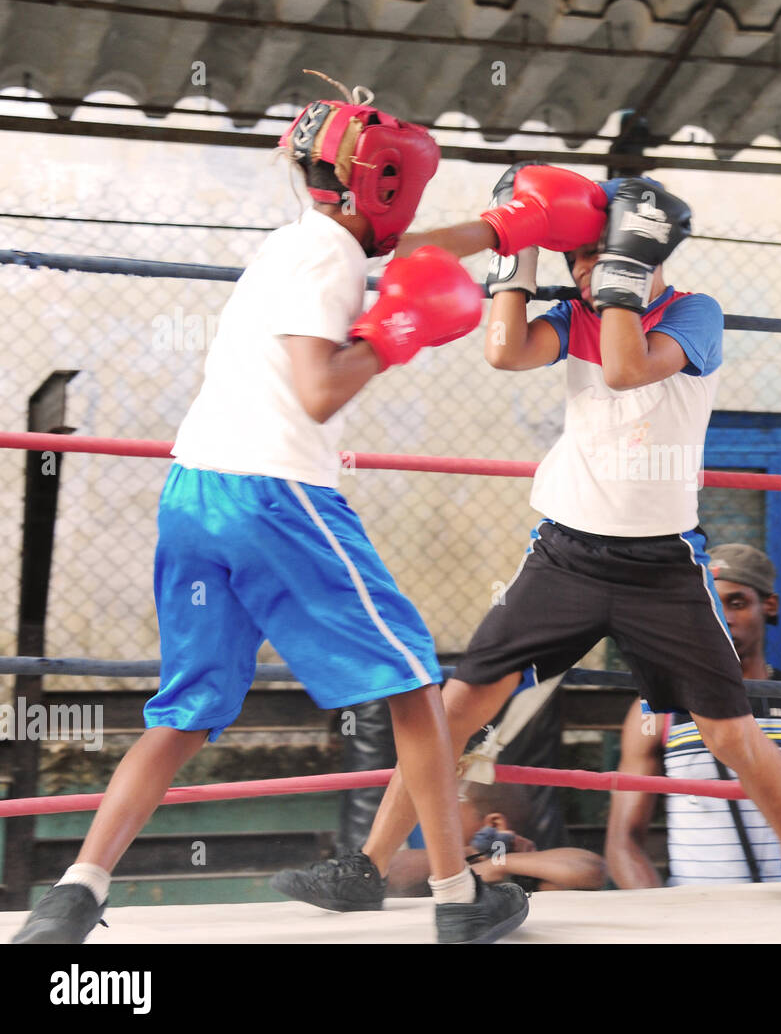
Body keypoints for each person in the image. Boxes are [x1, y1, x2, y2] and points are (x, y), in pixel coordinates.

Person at [11, 86, 540, 945]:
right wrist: (396, 334)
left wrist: (510, 225)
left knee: (184, 711)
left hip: (193, 497)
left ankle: (75, 890)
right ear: (387, 185)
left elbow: (418, 251)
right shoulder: (329, 259)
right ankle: (456, 900)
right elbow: (319, 389)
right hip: (275, 495)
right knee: (412, 683)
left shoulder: (300, 242)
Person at [272, 164, 781, 913]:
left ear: (642, 255)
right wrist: (515, 260)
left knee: (729, 730)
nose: (583, 269)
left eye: (597, 253)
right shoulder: (575, 314)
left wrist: (622, 271)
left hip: (662, 566)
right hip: (566, 556)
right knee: (453, 709)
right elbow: (503, 352)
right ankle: (364, 869)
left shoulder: (694, 313)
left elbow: (625, 370)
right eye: (575, 255)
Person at [606, 543, 781, 886]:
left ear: (769, 605)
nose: (723, 618)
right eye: (708, 604)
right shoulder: (657, 708)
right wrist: (664, 922)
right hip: (697, 913)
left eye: (737, 603)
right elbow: (624, 842)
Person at [386, 780, 606, 896]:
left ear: (493, 824)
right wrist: (473, 853)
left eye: (447, 805)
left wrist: (498, 864)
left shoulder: (530, 869)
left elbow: (592, 870)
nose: (433, 817)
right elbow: (387, 872)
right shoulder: (438, 867)